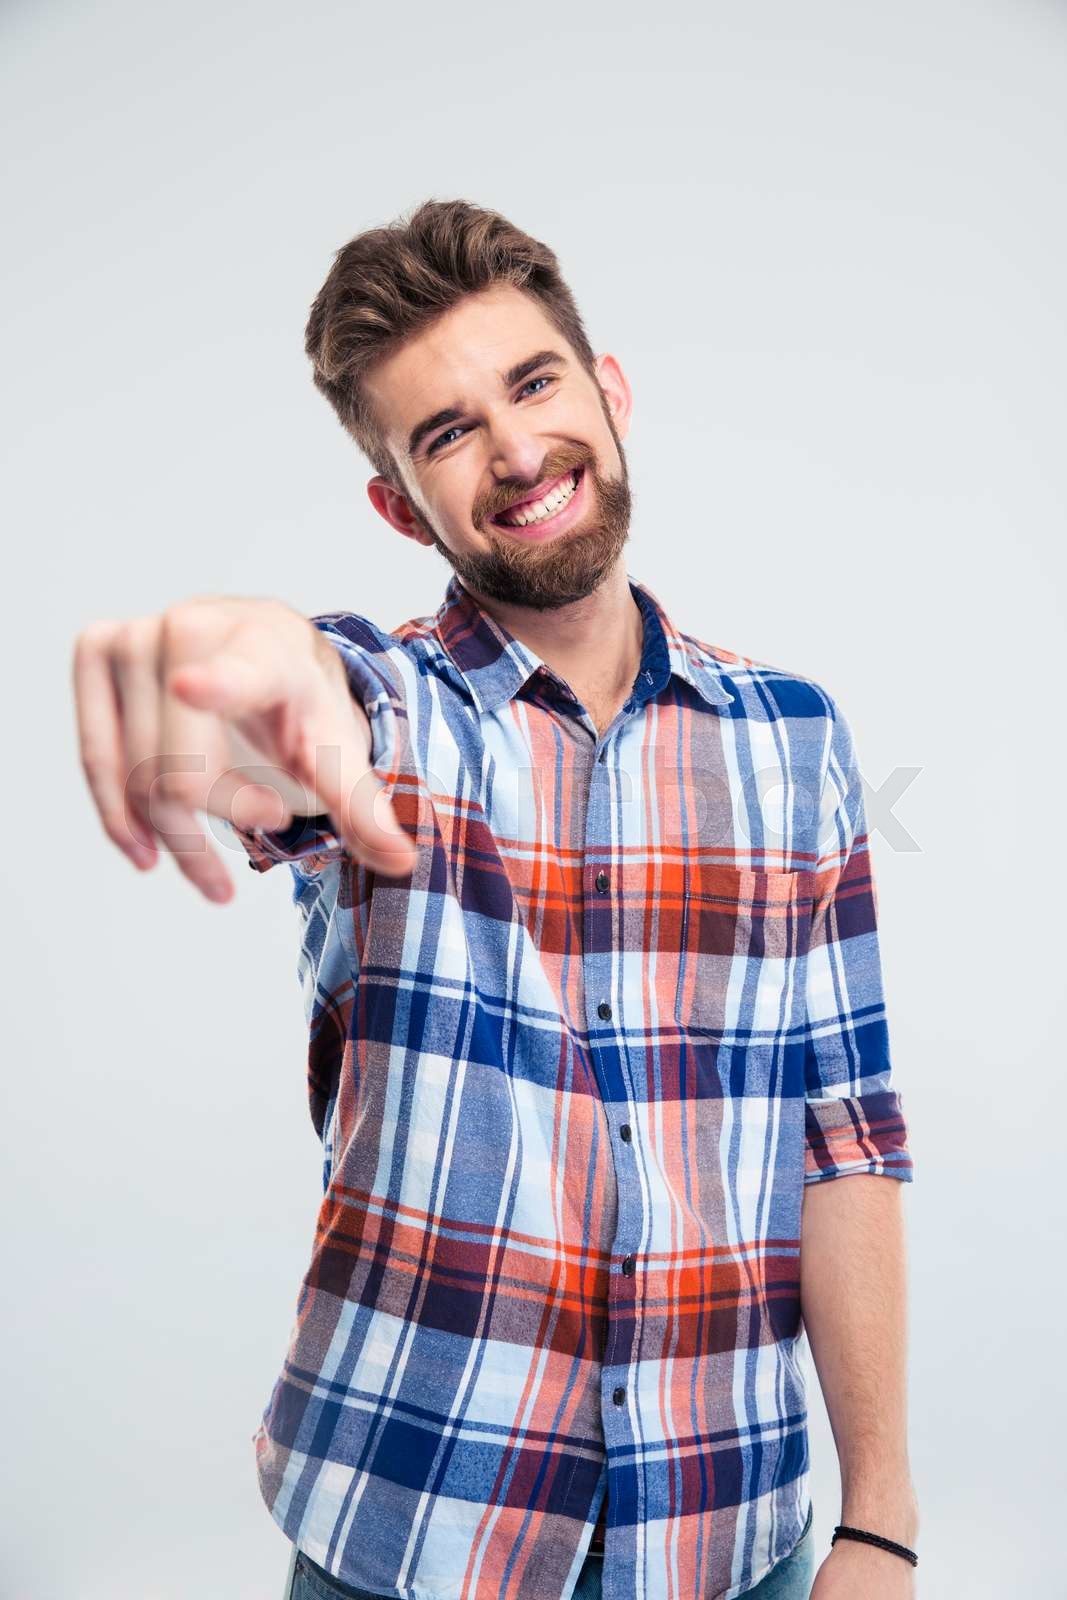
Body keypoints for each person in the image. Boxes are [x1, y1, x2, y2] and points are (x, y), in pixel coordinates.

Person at [72, 199, 919, 1600]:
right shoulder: (385, 724)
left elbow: (847, 1142)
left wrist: (878, 1519)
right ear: (400, 504)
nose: (519, 450)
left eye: (533, 384)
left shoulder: (794, 739)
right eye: (449, 431)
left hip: (730, 1537)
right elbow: (299, 699)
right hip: (413, 1536)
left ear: (611, 390)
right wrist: (233, 667)